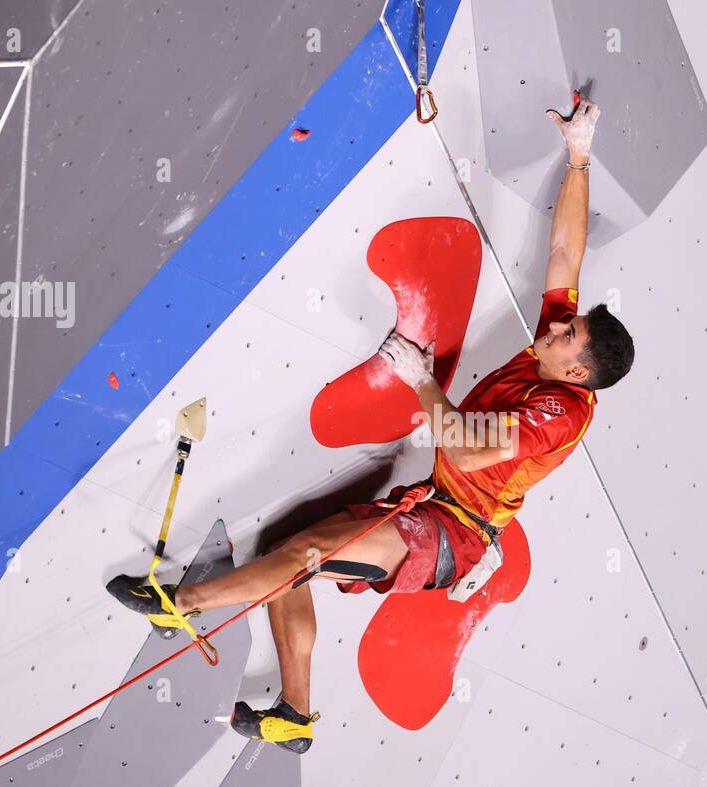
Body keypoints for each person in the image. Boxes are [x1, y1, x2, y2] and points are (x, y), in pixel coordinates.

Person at [107, 97, 634, 753]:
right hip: (440, 509)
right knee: (291, 555)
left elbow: (468, 455)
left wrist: (418, 378)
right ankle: (294, 715)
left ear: (578, 372)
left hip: (451, 531)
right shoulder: (553, 360)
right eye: (566, 320)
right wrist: (580, 156)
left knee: (301, 555)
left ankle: (178, 605)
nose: (553, 325)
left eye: (566, 333)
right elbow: (563, 254)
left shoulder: (560, 411)